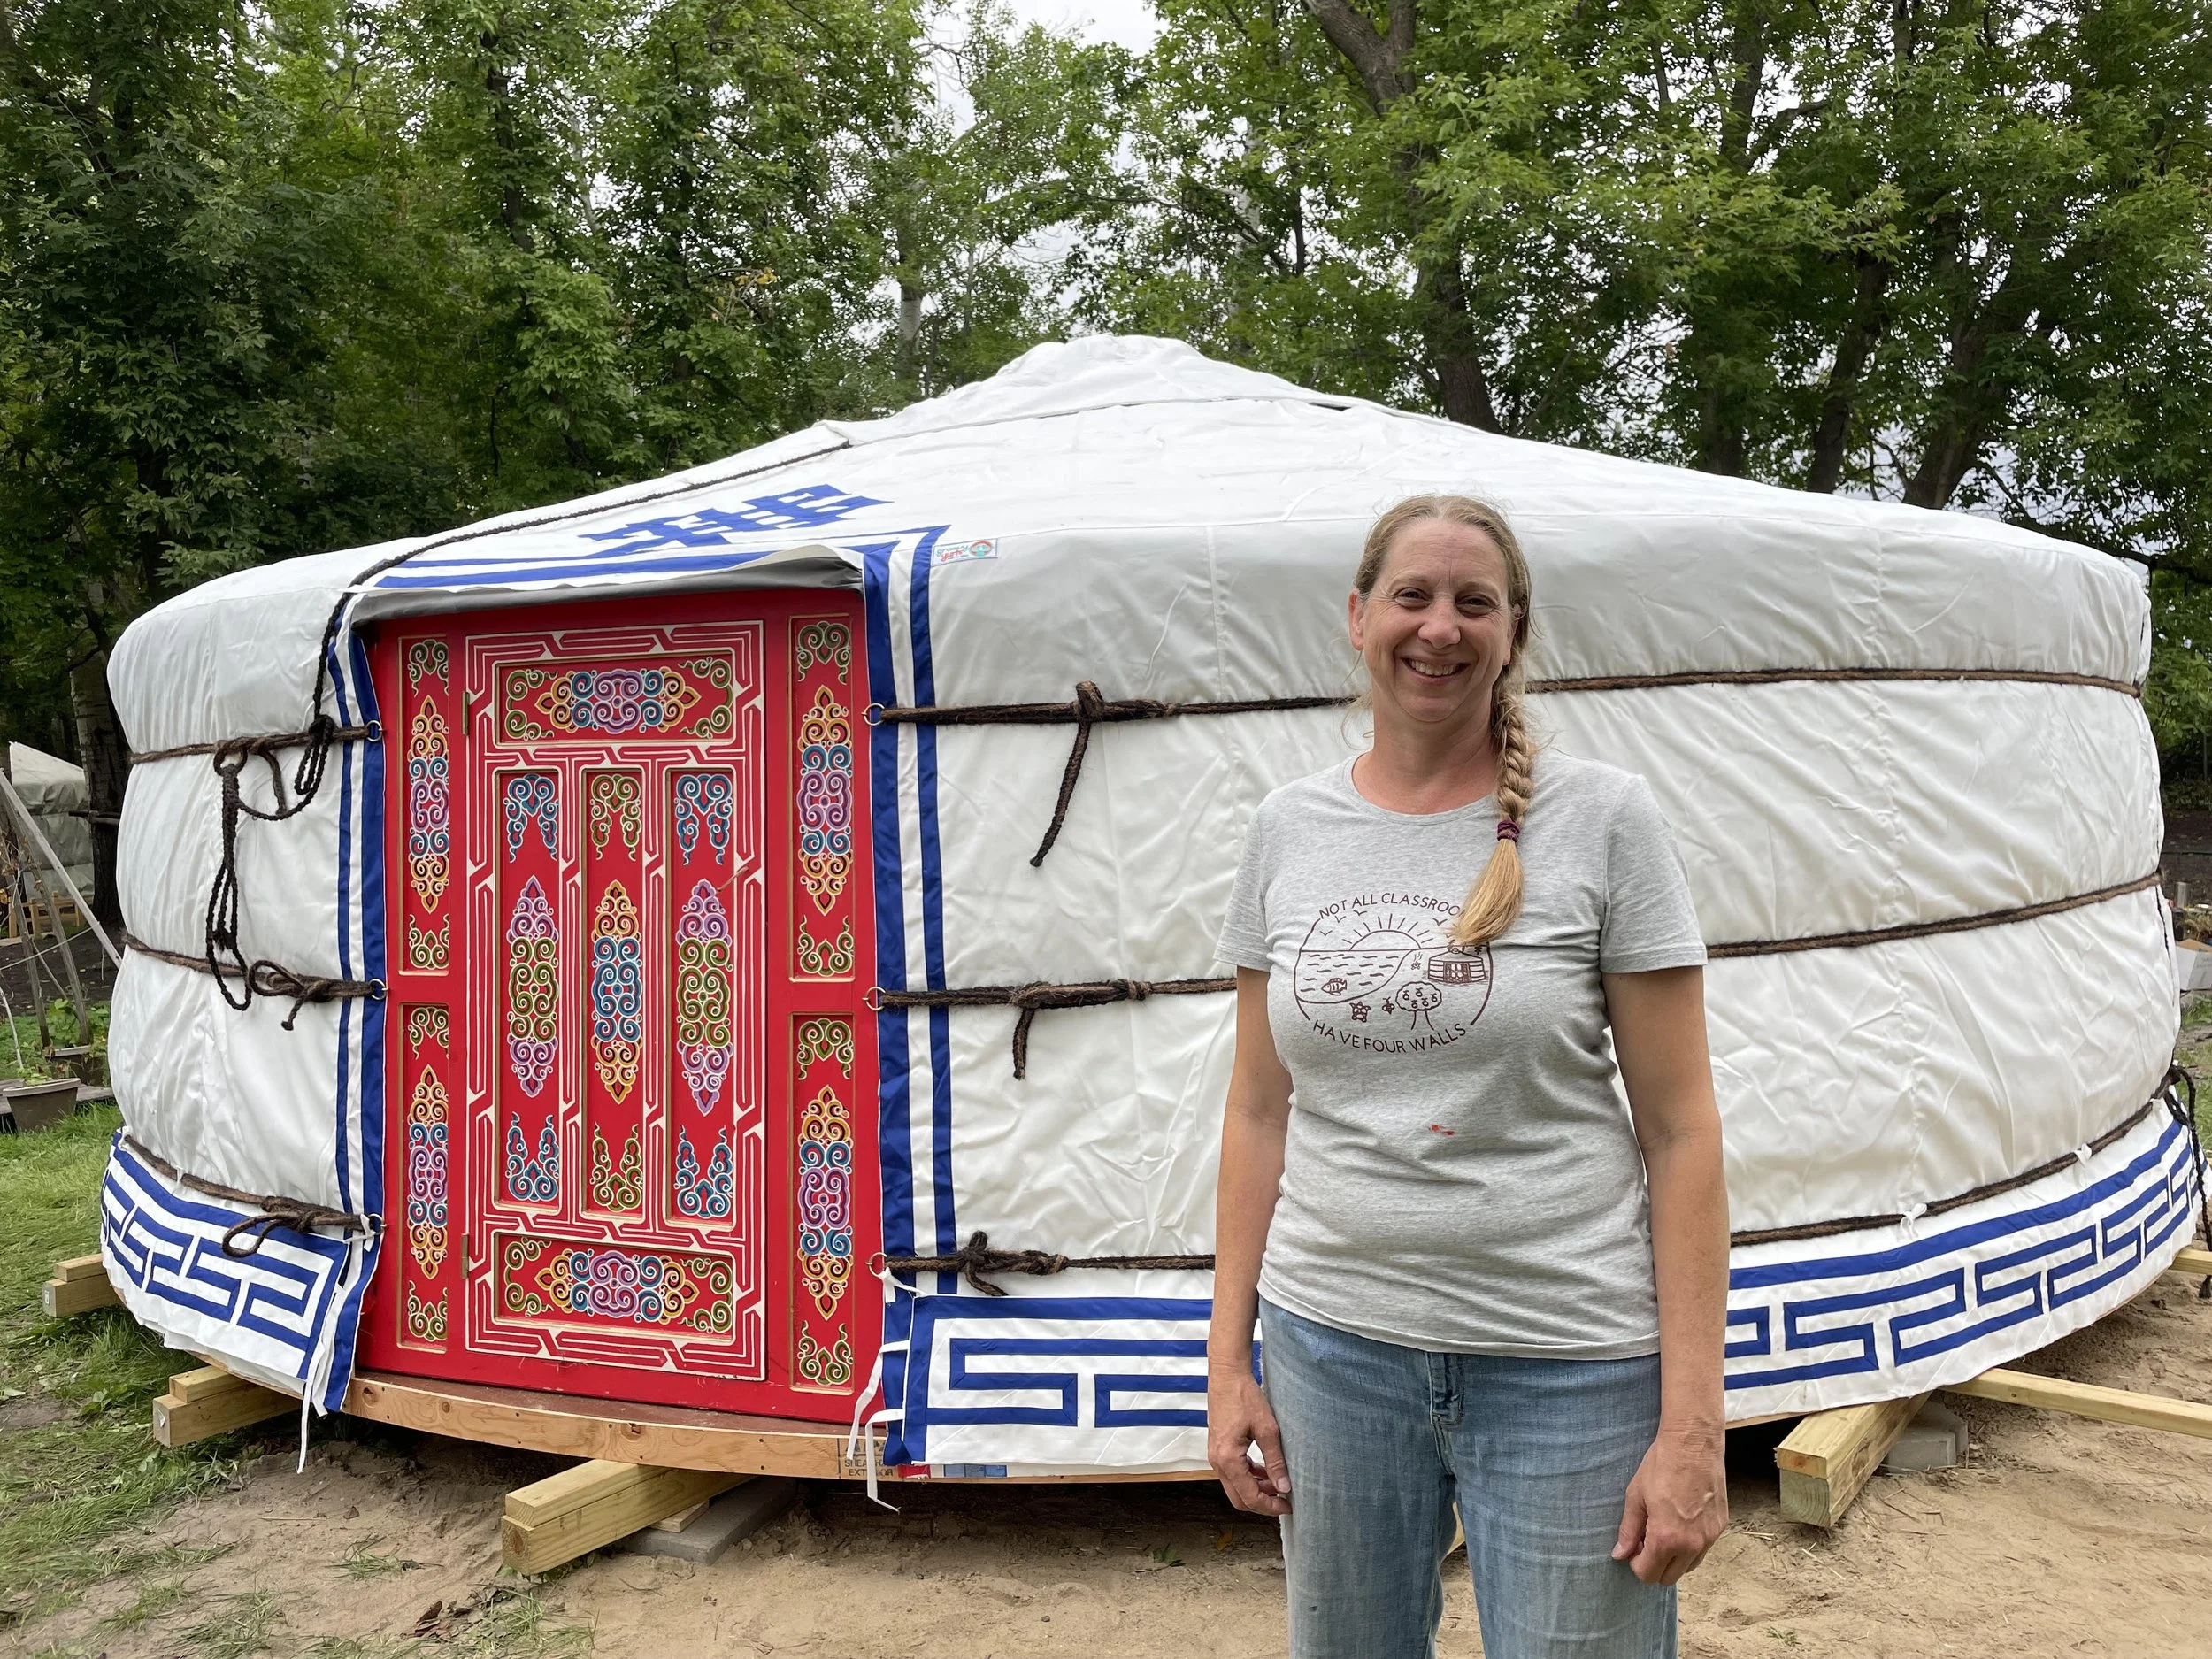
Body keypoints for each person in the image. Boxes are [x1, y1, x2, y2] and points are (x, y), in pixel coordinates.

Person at [1206, 495, 1730, 1659]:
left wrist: (1694, 1425)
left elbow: (1682, 1130)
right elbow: (1255, 1109)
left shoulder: (1605, 823)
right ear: (1356, 616)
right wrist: (1228, 1361)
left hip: (1569, 1359)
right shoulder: (1286, 830)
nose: (1438, 627)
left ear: (1513, 629)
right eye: (1412, 595)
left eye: (1472, 601)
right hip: (1331, 1347)